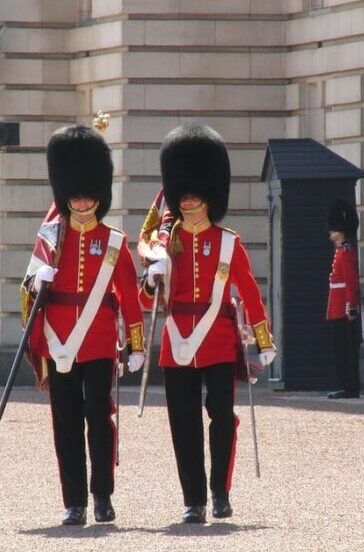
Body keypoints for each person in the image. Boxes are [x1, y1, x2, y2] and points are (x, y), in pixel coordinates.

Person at [140, 124, 276, 524]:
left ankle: (220, 490)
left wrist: (264, 340)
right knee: (183, 424)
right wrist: (152, 276)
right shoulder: (165, 243)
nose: (189, 199)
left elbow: (249, 293)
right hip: (177, 338)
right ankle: (193, 499)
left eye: (196, 193)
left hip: (217, 339)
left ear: (209, 196)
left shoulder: (227, 242)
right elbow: (145, 299)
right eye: (184, 193)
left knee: (221, 417)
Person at [23, 124, 146, 526]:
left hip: (96, 342)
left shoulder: (113, 241)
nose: (80, 199)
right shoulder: (51, 238)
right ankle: (73, 500)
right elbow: (30, 288)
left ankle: (103, 495)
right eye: (74, 193)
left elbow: (129, 296)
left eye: (88, 192)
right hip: (58, 339)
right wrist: (36, 280)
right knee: (66, 424)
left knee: (99, 417)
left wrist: (136, 345)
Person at [326, 200, 361, 399]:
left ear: (340, 230)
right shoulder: (341, 250)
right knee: (340, 349)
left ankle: (349, 387)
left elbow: (351, 282)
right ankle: (345, 385)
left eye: (333, 229)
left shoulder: (346, 252)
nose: (330, 232)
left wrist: (351, 306)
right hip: (337, 306)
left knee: (345, 349)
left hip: (343, 308)